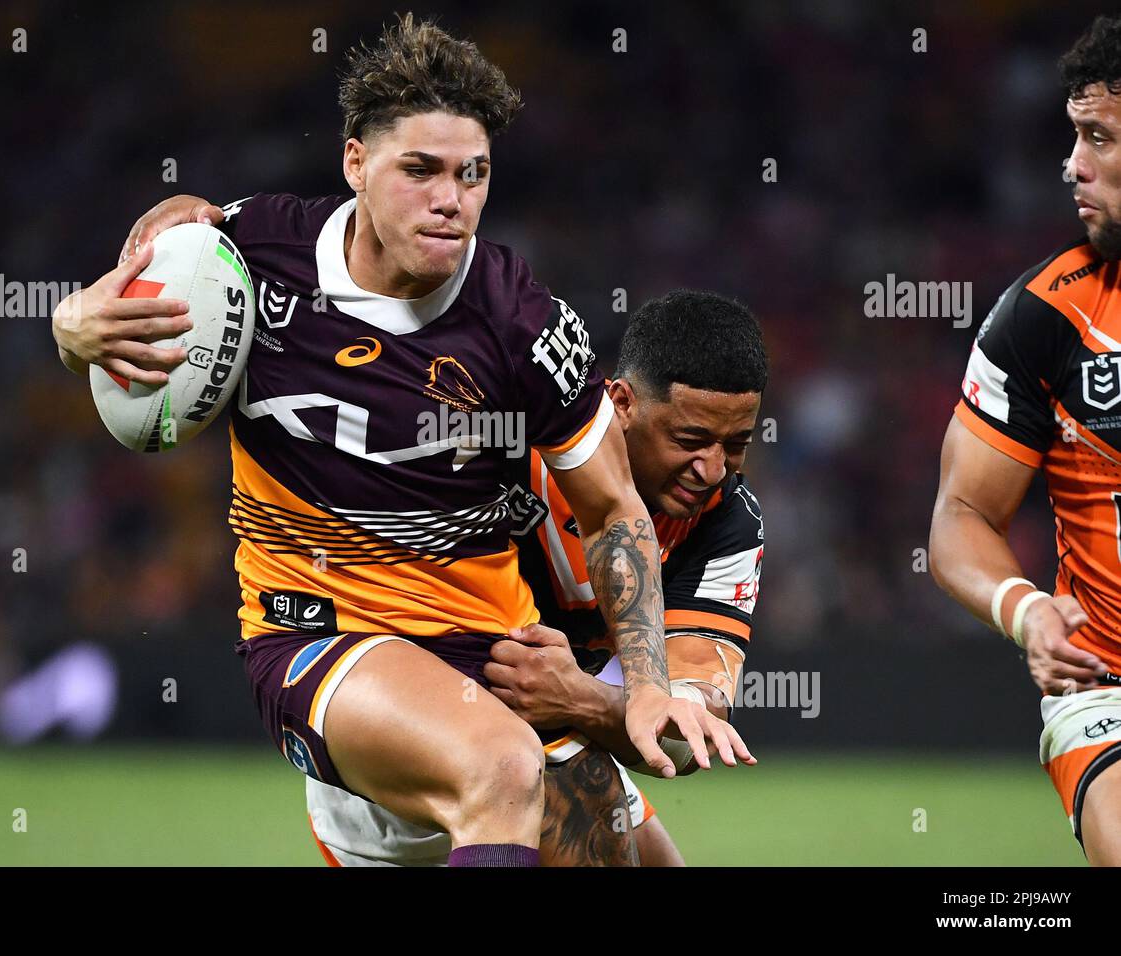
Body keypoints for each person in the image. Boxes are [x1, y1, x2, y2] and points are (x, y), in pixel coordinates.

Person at [52, 14, 723, 866]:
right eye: (422, 170)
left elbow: (616, 511)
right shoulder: (249, 259)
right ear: (355, 163)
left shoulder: (525, 324)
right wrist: (71, 331)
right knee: (502, 769)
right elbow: (123, 347)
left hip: (495, 662)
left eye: (473, 174)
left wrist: (650, 684)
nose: (452, 200)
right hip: (318, 639)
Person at [306, 290, 766, 866]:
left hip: (555, 740)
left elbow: (685, 736)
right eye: (690, 441)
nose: (712, 469)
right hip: (419, 742)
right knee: (578, 806)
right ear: (620, 403)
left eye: (737, 445)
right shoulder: (509, 445)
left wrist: (580, 697)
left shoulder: (727, 525)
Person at [929, 15, 1121, 866]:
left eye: (1100, 138)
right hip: (1106, 686)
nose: (1073, 164)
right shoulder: (1044, 316)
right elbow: (961, 513)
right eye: (1075, 136)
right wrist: (1030, 610)